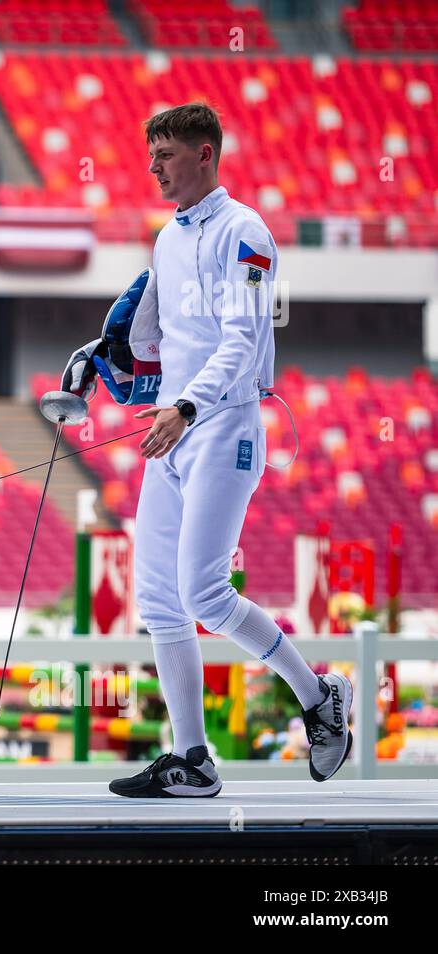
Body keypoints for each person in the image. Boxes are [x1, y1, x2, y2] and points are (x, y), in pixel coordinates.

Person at [70, 103, 353, 797]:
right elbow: (145, 338)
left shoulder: (245, 233)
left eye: (165, 155)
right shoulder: (168, 239)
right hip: (173, 430)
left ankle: (318, 696)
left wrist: (188, 405)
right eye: (151, 156)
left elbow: (243, 340)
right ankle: (192, 761)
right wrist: (93, 358)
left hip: (222, 427)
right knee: (160, 601)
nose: (153, 168)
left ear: (205, 154)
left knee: (202, 590)